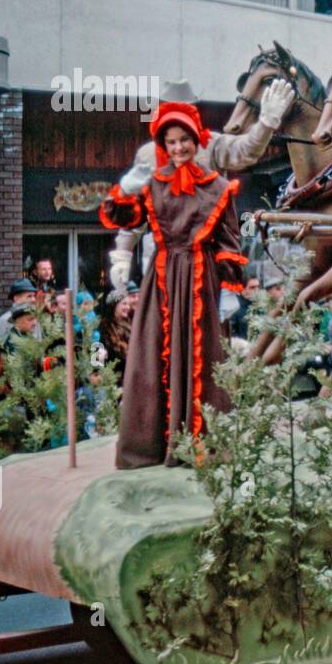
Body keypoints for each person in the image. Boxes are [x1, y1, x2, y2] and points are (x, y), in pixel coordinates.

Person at [100, 99, 247, 469]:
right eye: (171, 142)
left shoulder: (218, 187)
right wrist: (126, 188)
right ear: (163, 146)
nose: (178, 147)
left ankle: (202, 445)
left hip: (201, 279)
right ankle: (151, 446)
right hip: (162, 279)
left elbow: (230, 242)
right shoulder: (153, 185)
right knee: (153, 355)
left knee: (202, 357)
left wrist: (229, 291)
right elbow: (124, 216)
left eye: (184, 140)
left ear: (196, 141)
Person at [107, 78, 293, 292]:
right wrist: (123, 253)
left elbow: (245, 150)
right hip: (164, 253)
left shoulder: (210, 144)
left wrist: (266, 124)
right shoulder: (148, 155)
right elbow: (136, 210)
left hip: (206, 253)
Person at [0, 279, 40, 343]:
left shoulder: (34, 319)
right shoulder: (4, 321)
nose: (33, 299)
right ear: (16, 298)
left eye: (34, 296)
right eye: (29, 296)